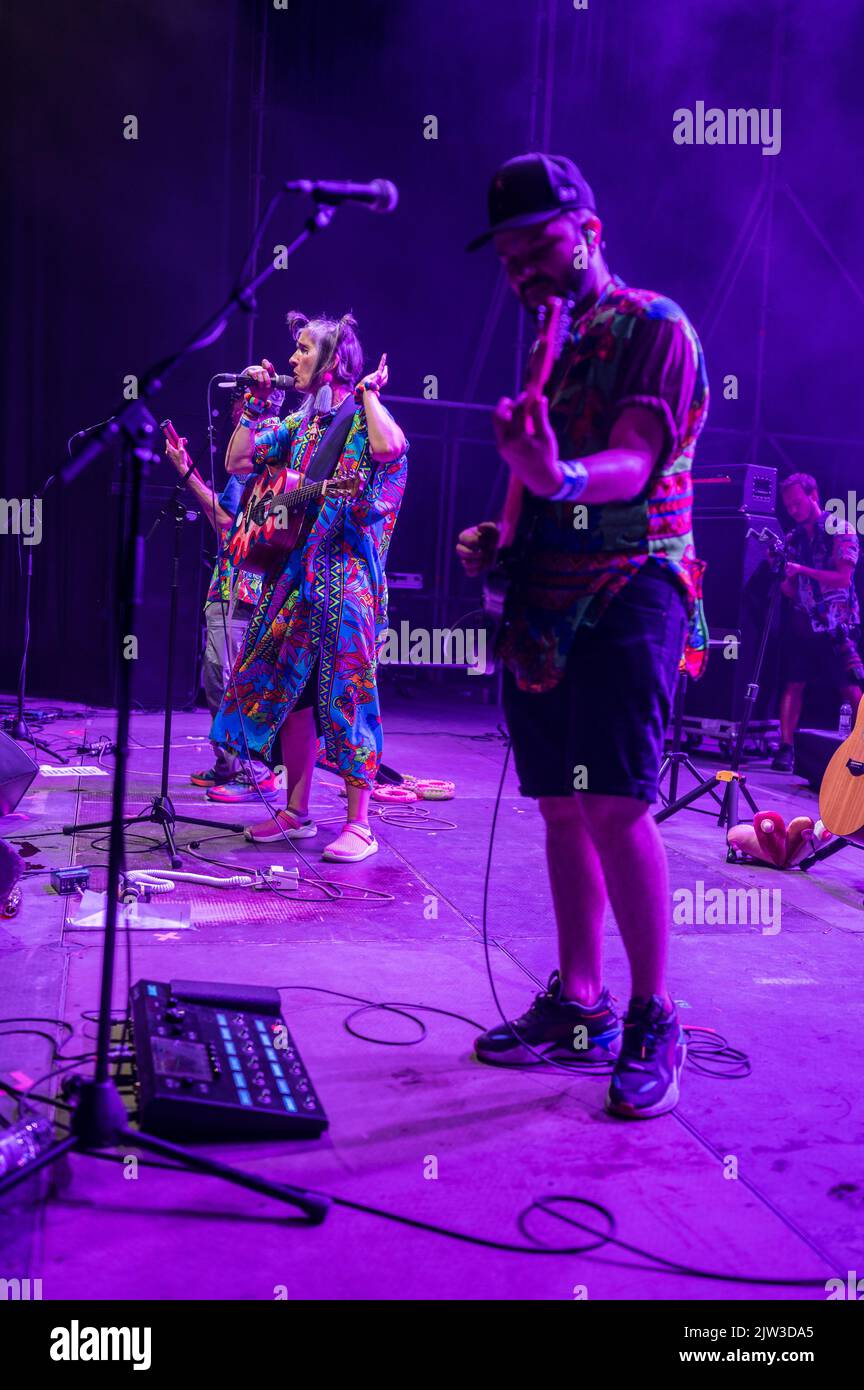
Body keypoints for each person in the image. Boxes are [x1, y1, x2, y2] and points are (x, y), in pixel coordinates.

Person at [458, 153, 709, 1118]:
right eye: (511, 259)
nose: (525, 271)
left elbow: (633, 463)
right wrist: (503, 538)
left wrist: (557, 479)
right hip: (546, 599)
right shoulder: (546, 348)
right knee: (561, 810)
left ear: (590, 231)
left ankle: (654, 1016)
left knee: (612, 804)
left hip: (632, 585)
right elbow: (536, 467)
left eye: (541, 248)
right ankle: (583, 1006)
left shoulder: (655, 326)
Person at [210, 311, 408, 862]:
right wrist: (254, 405)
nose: (292, 359)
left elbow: (393, 451)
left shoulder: (365, 418)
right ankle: (297, 813)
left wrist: (368, 394)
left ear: (333, 361)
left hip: (347, 585)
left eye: (302, 349)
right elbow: (240, 460)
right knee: (293, 698)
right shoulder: (301, 427)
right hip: (295, 582)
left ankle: (360, 824)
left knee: (347, 696)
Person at [164, 385, 284, 801]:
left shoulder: (259, 449)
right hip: (236, 587)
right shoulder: (255, 448)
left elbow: (227, 525)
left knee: (225, 679)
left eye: (241, 397)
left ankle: (251, 771)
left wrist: (186, 475)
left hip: (243, 589)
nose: (233, 406)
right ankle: (230, 765)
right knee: (221, 678)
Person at [771, 472, 863, 772]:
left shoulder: (841, 529)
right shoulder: (793, 538)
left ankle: (860, 744)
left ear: (813, 496)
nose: (793, 510)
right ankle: (785, 748)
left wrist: (802, 569)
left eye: (797, 503)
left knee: (849, 685)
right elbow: (789, 589)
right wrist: (784, 575)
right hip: (804, 624)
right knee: (793, 683)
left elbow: (842, 578)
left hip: (838, 624)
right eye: (788, 506)